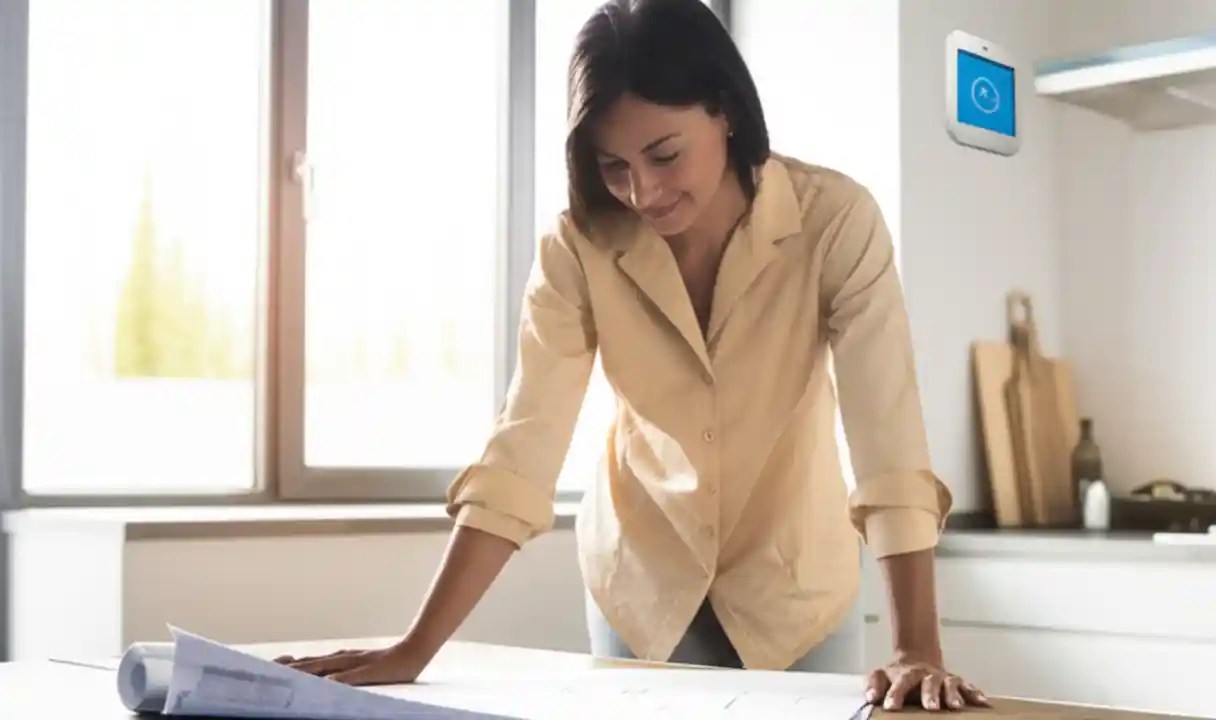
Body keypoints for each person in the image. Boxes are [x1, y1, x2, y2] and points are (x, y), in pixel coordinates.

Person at [277, 0, 990, 712]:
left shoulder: (835, 219)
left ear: (727, 111)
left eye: (665, 154)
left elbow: (886, 431)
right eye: (613, 165)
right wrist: (415, 647)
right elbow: (524, 448)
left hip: (795, 590)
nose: (642, 191)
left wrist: (917, 650)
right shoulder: (576, 246)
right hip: (643, 591)